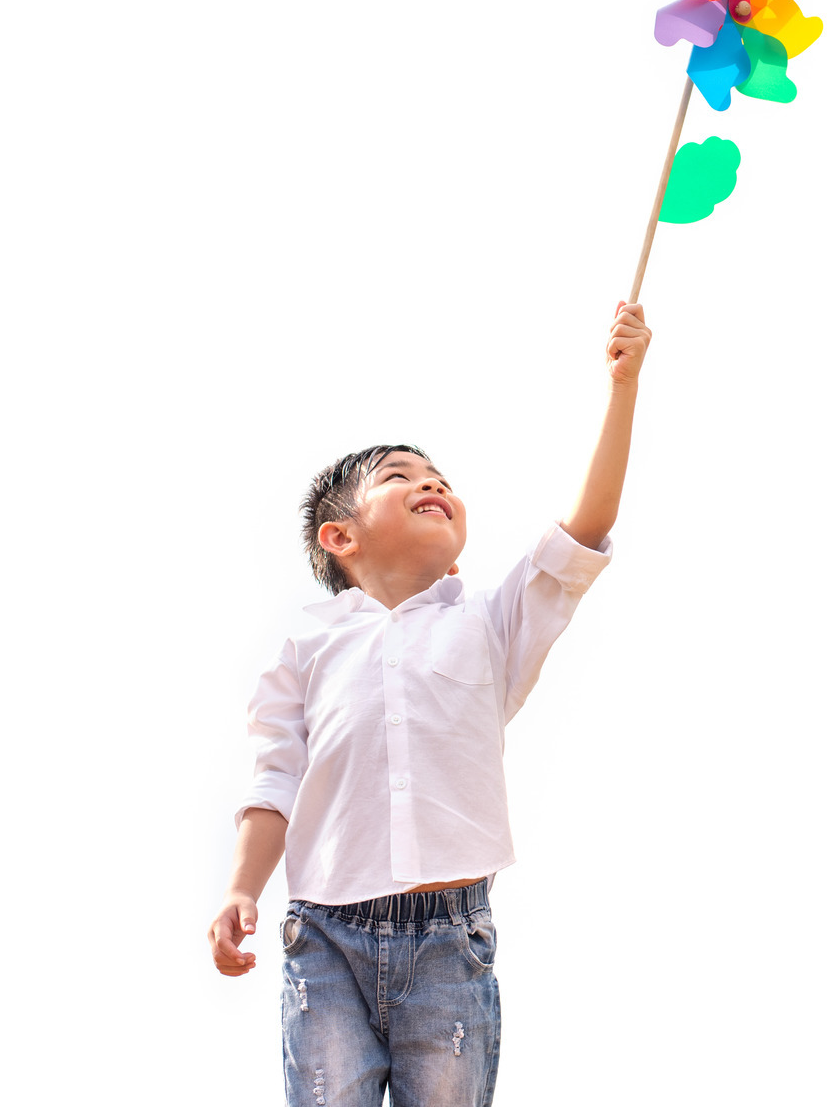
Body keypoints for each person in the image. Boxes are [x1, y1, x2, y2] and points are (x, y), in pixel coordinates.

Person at [206, 301, 652, 1106]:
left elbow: (585, 527)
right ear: (340, 538)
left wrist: (622, 386)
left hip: (450, 940)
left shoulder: (489, 623)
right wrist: (242, 887)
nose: (431, 483)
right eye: (400, 477)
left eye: (439, 477)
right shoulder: (306, 651)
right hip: (326, 941)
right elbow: (273, 783)